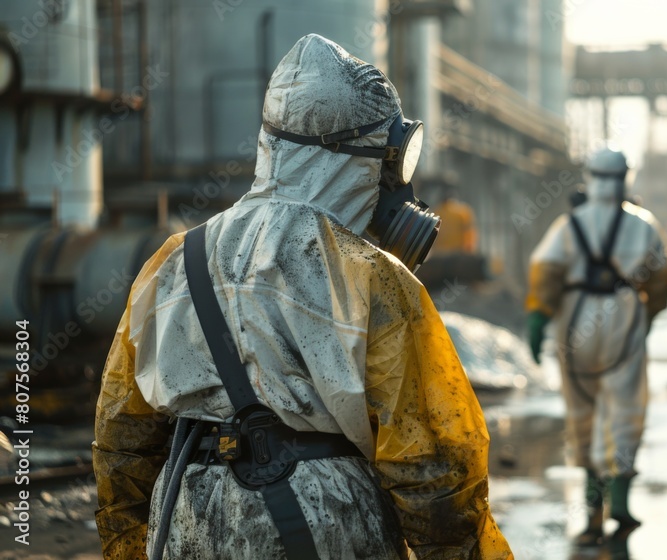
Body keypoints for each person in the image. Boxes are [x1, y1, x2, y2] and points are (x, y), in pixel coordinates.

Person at [92, 34, 511, 560]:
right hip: (326, 520)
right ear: (361, 161)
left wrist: (132, 546)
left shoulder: (173, 262)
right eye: (393, 164)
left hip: (186, 517)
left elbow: (121, 438)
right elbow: (433, 466)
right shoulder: (374, 278)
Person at [525, 147, 667, 546]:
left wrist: (538, 320)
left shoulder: (569, 224)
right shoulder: (644, 225)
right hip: (624, 319)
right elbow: (660, 281)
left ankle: (592, 516)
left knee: (582, 414)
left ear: (589, 177)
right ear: (625, 178)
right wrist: (648, 318)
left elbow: (545, 273)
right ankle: (620, 505)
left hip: (576, 322)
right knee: (625, 411)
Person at [433, 184, 477, 254]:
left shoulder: (437, 211)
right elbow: (469, 233)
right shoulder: (463, 211)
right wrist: (469, 251)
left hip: (440, 253)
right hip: (458, 253)